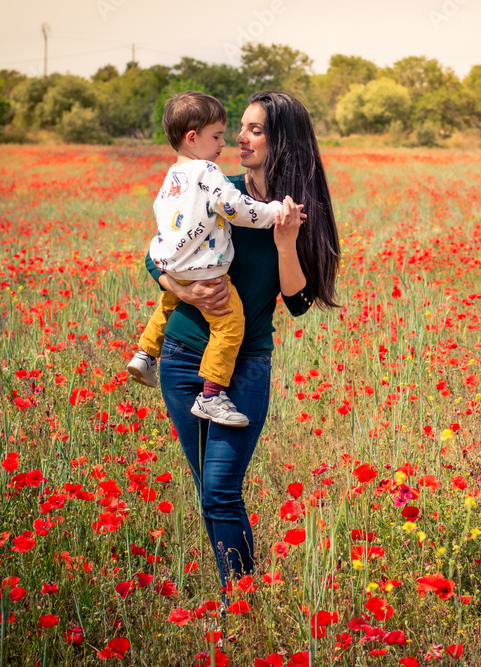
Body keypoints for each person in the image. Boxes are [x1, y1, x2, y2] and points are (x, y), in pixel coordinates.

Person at [143, 91, 340, 586]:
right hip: (182, 356)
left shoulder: (292, 212)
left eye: (255, 130)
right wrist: (178, 290)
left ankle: (240, 600)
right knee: (207, 490)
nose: (240, 138)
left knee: (220, 490)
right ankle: (237, 598)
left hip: (245, 364)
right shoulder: (215, 186)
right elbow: (157, 254)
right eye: (241, 128)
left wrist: (286, 242)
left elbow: (297, 302)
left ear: (283, 142)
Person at [128, 91, 302, 428]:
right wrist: (272, 212)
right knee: (230, 322)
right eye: (220, 135)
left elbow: (298, 301)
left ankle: (146, 354)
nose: (231, 141)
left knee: (165, 305)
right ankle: (211, 394)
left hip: (175, 263)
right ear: (193, 138)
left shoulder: (173, 176)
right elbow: (235, 208)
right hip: (204, 276)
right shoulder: (211, 173)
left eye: (253, 130)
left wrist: (176, 283)